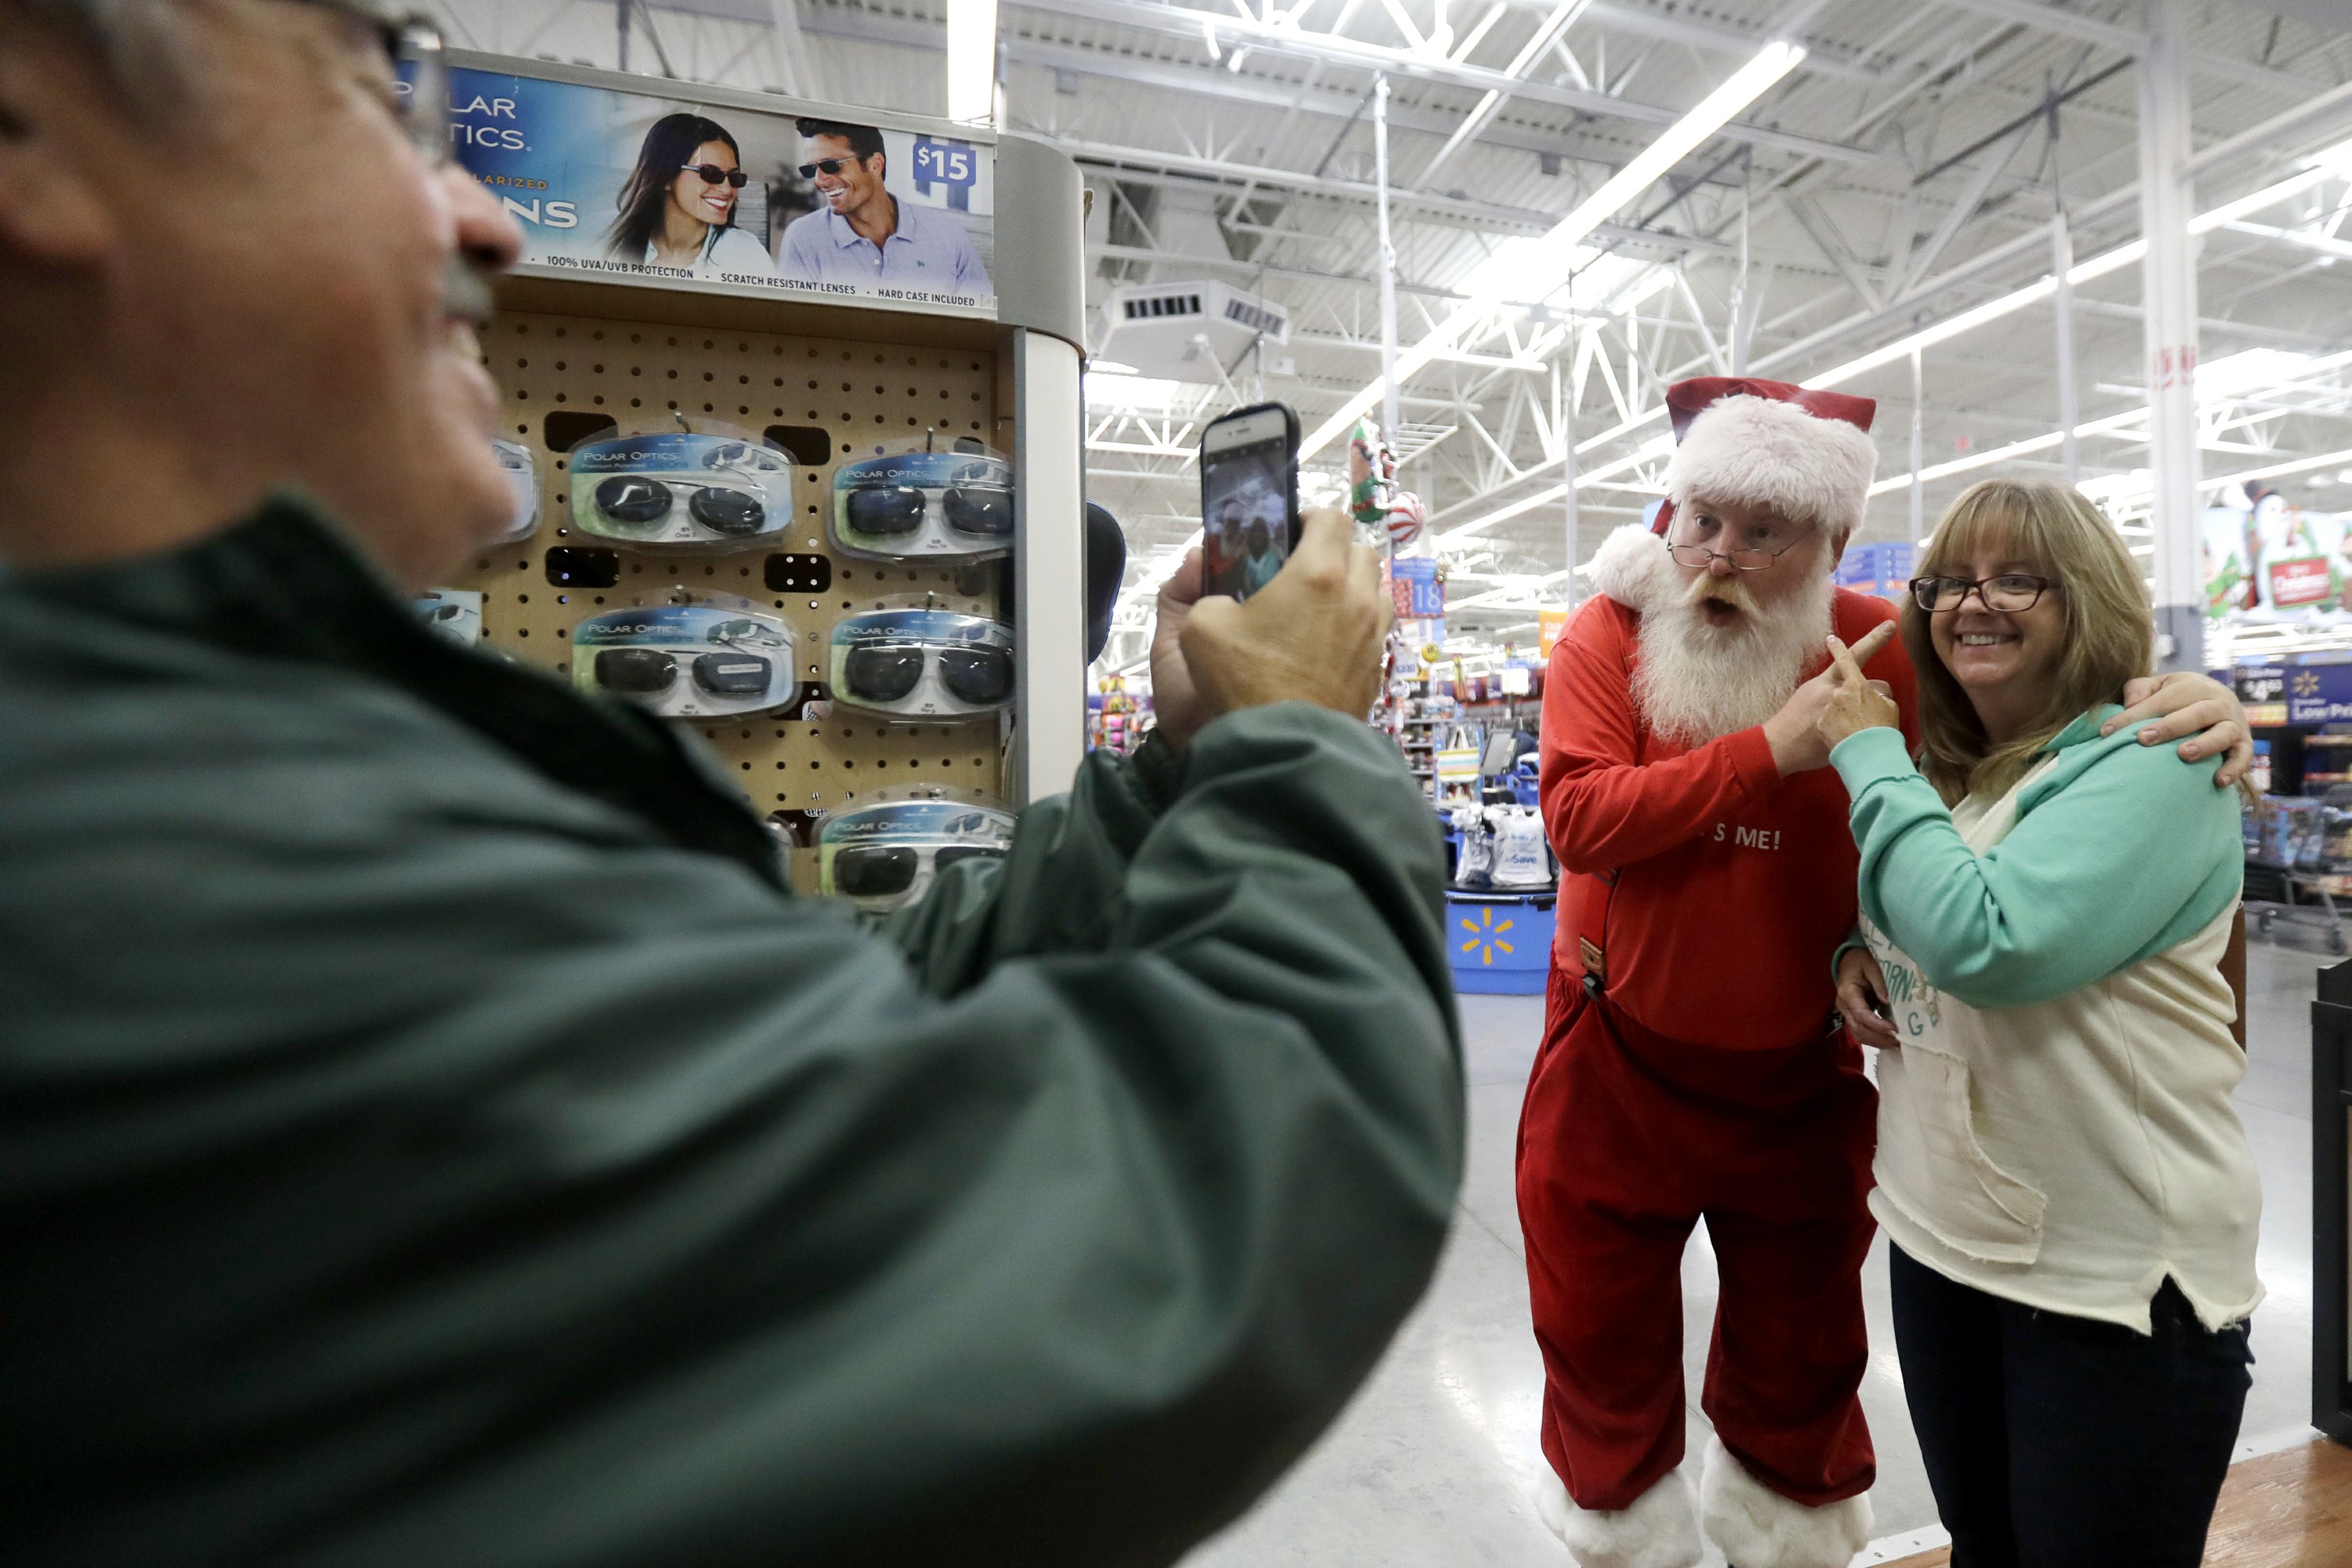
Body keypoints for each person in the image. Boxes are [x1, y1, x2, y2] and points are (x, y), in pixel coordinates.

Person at [0, 5, 1462, 1566]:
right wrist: (1302, 742)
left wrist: (1174, 773)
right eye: (373, 89)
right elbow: (1163, 1236)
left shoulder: (214, 761)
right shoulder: (167, 857)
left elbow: (817, 1005)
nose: (482, 217)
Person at [1519, 377, 2251, 1568]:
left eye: (1767, 532)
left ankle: (1780, 1540)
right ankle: (1626, 1540)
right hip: (1619, 1061)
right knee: (1596, 1334)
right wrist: (1778, 751)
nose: (1722, 555)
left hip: (1813, 1084)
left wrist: (2188, 696)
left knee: (1801, 1353)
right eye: (1703, 518)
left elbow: (2005, 736)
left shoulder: (1877, 645)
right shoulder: (1609, 632)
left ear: (1829, 547)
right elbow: (1583, 820)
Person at [1817, 479, 2260, 1568]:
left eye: (2019, 578)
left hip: (2108, 1283)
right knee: (1987, 1548)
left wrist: (1865, 754)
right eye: (1951, 582)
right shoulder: (1961, 783)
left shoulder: (2159, 759)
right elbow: (1931, 913)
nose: (1975, 604)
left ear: (2089, 600)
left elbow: (1995, 943)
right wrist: (1856, 950)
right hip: (1947, 1238)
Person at [778, 117, 991, 296]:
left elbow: (983, 323)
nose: (819, 181)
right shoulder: (802, 239)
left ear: (875, 165)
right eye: (810, 170)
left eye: (830, 166)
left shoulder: (948, 235)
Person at [604, 111, 778, 278]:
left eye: (734, 177)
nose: (726, 189)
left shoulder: (746, 254)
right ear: (666, 177)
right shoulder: (610, 241)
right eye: (710, 173)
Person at [1240, 516, 1283, 597]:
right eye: (1255, 530)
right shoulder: (1244, 558)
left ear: (1266, 535)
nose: (1258, 534)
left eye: (1261, 531)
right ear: (1251, 535)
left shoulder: (1274, 556)